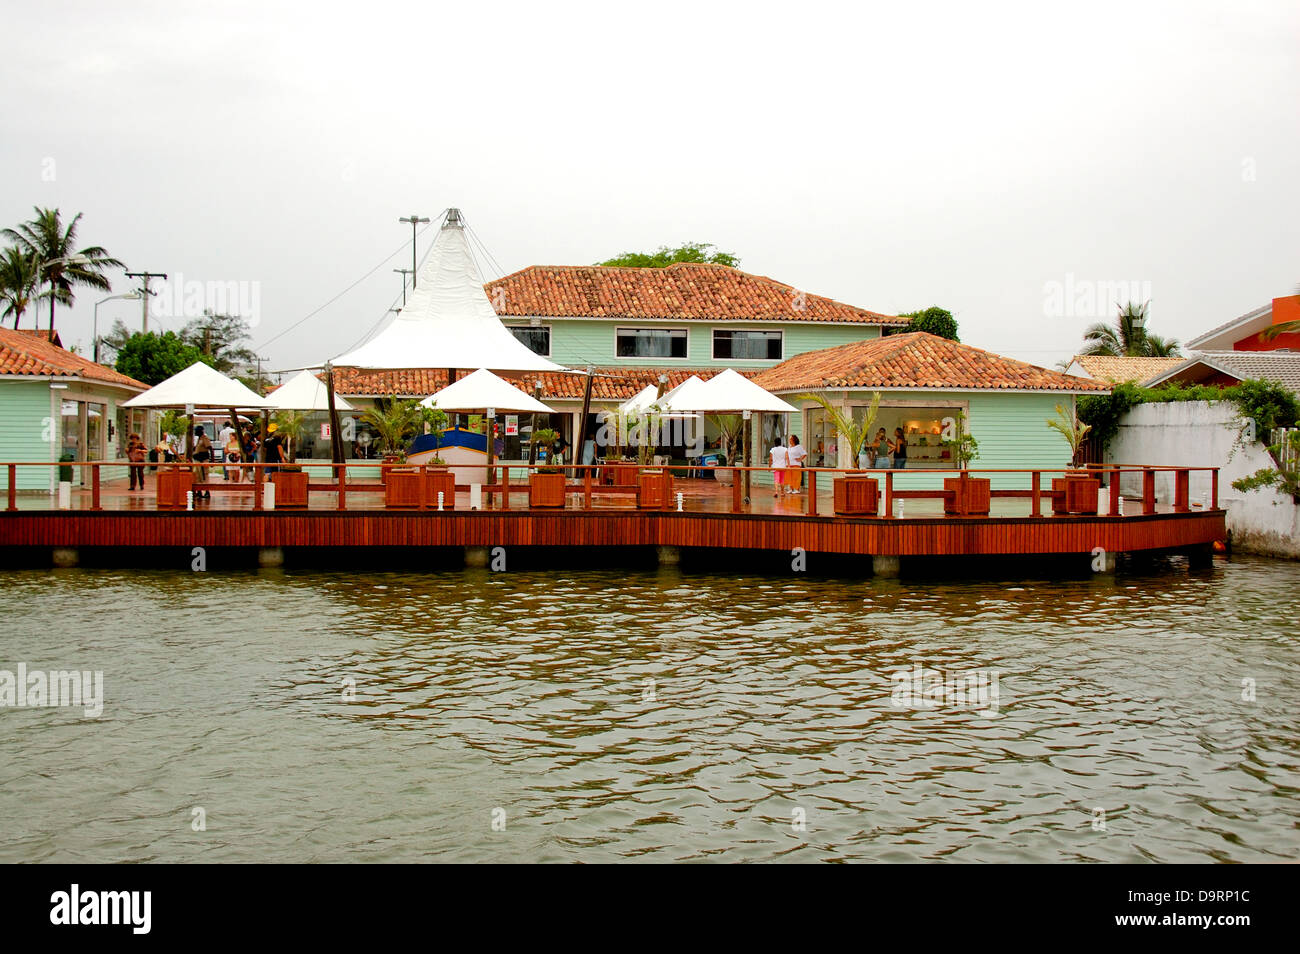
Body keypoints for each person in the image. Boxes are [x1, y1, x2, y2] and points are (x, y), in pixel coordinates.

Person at [192, 426, 213, 499]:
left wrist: (212, 460)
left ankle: (207, 491)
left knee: (205, 476)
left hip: (203, 459)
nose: (195, 432)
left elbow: (210, 448)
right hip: (197, 459)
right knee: (198, 476)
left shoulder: (205, 438)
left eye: (197, 431)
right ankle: (199, 491)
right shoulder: (199, 439)